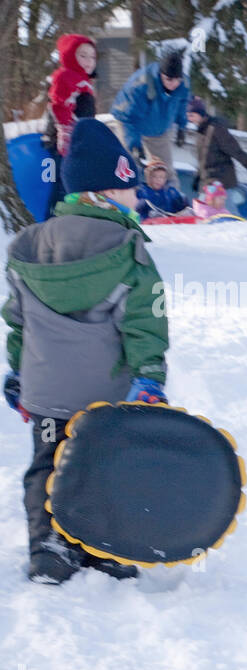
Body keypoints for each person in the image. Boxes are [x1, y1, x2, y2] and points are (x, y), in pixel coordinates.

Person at [2, 118, 169, 584]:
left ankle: (49, 548)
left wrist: (17, 374)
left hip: (45, 392)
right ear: (108, 193)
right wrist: (150, 376)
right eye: (131, 189)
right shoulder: (130, 247)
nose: (138, 198)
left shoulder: (27, 245)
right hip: (106, 397)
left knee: (47, 466)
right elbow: (145, 322)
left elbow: (18, 321)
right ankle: (103, 547)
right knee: (102, 466)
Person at [110, 49, 189, 185]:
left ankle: (173, 201)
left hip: (158, 130)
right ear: (161, 74)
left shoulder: (183, 85)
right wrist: (134, 144)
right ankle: (128, 197)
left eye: (177, 79)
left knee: (166, 172)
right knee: (129, 166)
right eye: (169, 79)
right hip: (130, 124)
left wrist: (182, 126)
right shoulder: (141, 85)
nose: (174, 84)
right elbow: (127, 118)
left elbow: (182, 105)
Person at [43, 34, 98, 215]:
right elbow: (59, 106)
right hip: (61, 145)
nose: (89, 61)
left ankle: (68, 220)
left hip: (75, 144)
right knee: (61, 185)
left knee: (72, 186)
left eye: (92, 56)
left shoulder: (81, 81)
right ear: (69, 56)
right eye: (83, 55)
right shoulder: (66, 77)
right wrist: (64, 136)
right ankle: (55, 221)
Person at [188, 96, 247, 219]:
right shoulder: (201, 133)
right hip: (208, 183)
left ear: (200, 113)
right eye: (188, 115)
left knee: (229, 215)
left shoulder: (216, 129)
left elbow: (236, 151)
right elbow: (203, 160)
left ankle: (242, 233)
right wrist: (197, 177)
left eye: (192, 115)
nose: (190, 119)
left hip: (223, 182)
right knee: (205, 215)